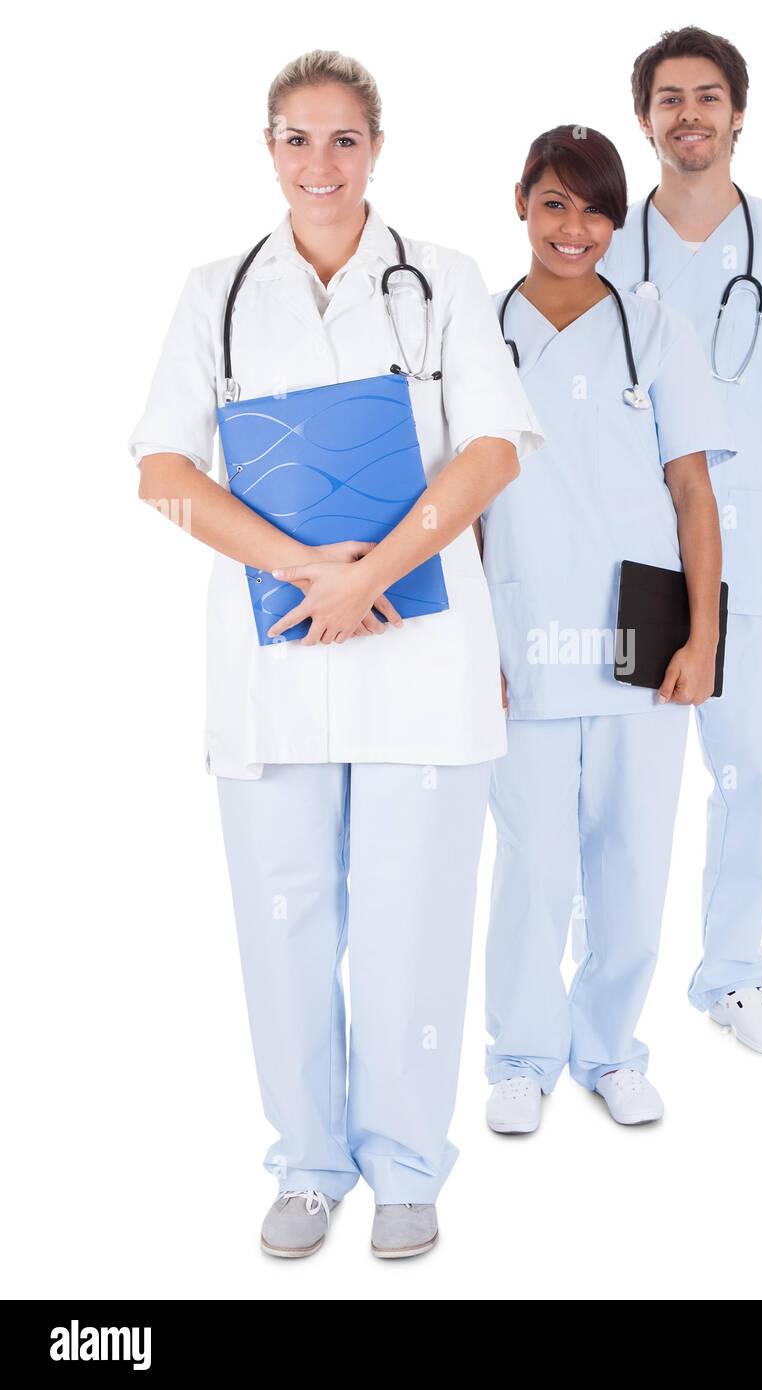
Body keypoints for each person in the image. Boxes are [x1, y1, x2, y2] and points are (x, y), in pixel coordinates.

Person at [130, 50, 542, 1258]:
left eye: (344, 139)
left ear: (376, 149)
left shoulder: (444, 280)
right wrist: (316, 571)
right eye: (297, 139)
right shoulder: (214, 290)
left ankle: (406, 1166)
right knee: (287, 919)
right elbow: (161, 470)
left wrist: (371, 571)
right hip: (280, 659)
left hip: (418, 653)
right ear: (269, 149)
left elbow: (493, 451)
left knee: (413, 919)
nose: (321, 162)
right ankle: (308, 1162)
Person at [600, 28, 762, 1053]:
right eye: (669, 99)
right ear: (644, 118)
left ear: (738, 114)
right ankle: (609, 996)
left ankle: (731, 976)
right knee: (630, 788)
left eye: (708, 96)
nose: (689, 115)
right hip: (637, 558)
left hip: (757, 548)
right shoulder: (609, 244)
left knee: (744, 771)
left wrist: (734, 485)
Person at [481, 126, 732, 1133]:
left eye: (592, 209)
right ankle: (519, 1057)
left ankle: (609, 1050)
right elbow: (445, 503)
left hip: (640, 630)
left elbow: (694, 490)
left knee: (632, 855)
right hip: (522, 629)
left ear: (615, 222)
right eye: (552, 203)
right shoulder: (478, 331)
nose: (571, 228)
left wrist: (702, 636)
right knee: (533, 862)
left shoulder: (652, 326)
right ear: (520, 204)